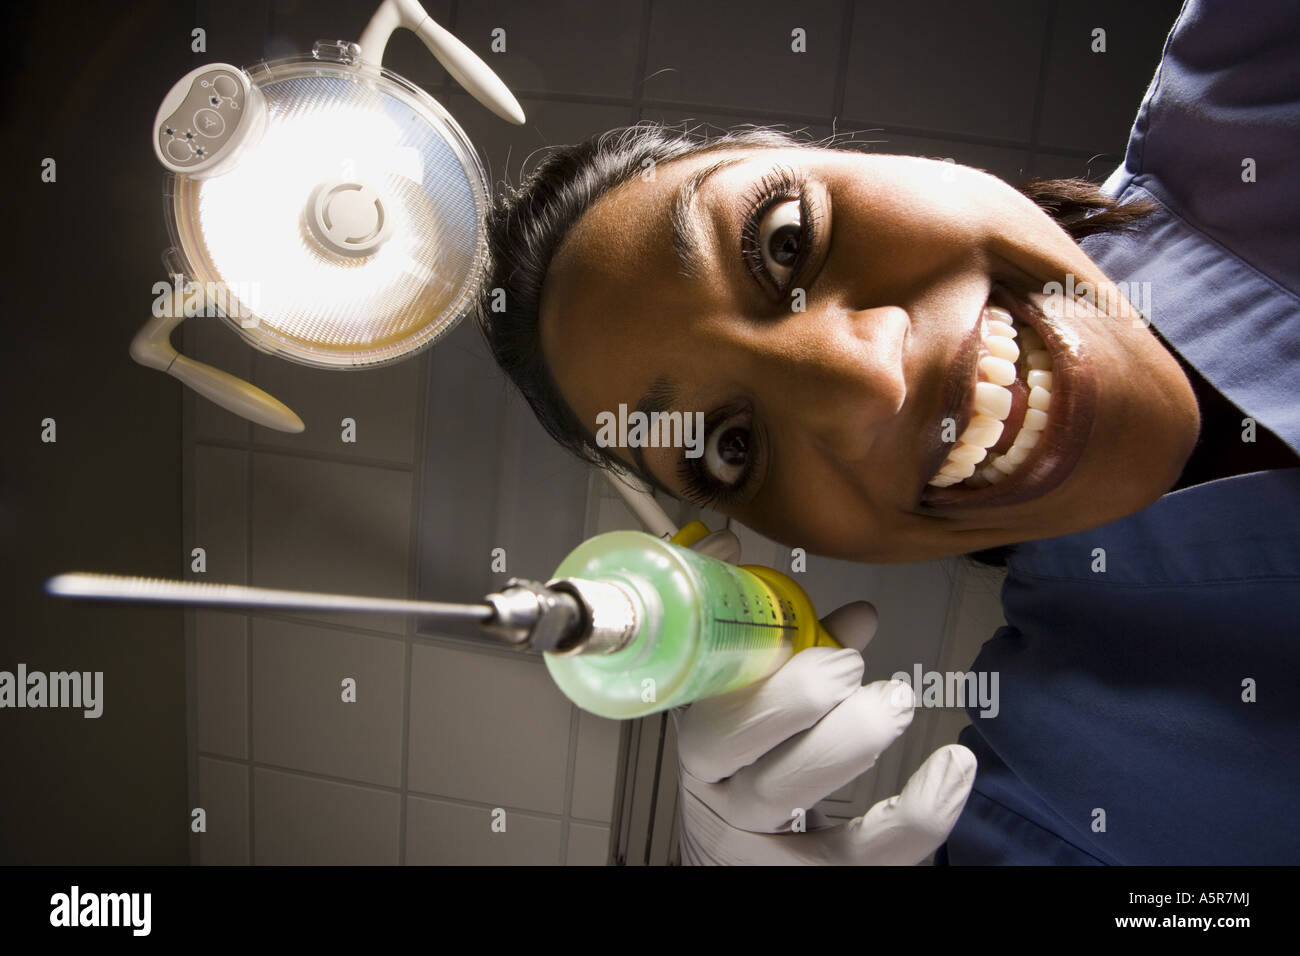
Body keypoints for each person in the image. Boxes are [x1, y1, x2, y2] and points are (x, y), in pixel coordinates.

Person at [475, 0, 1300, 864]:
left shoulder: (1257, 57)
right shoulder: (1060, 816)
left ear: (841, 153)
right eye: (731, 446)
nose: (869, 382)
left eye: (786, 241)